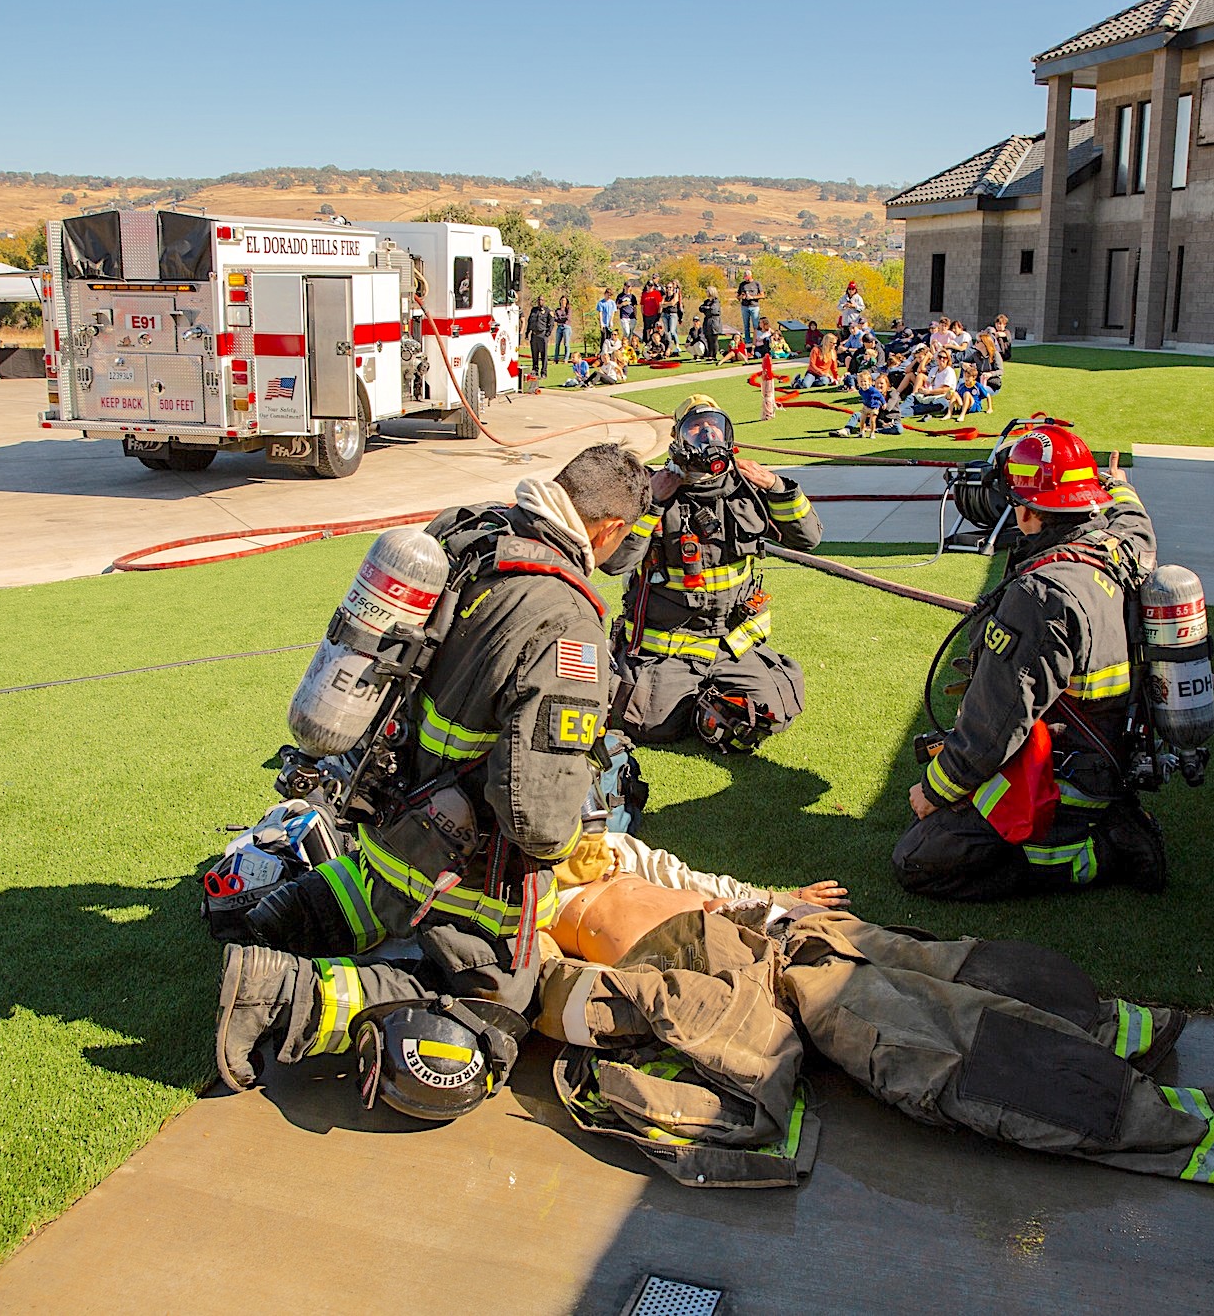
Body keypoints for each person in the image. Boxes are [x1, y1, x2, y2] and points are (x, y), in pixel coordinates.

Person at [213, 444, 653, 1098]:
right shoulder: (569, 624)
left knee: (380, 890)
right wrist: (574, 839)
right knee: (495, 1021)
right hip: (456, 872)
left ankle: (281, 916)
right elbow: (534, 821)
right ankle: (284, 996)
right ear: (610, 528)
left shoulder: (473, 531)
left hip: (385, 821)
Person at [536, 833, 1214, 1189]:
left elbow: (675, 873)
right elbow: (570, 1002)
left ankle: (1111, 1024)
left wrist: (774, 899)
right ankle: (1181, 1128)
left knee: (941, 962)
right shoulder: (515, 928)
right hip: (747, 973)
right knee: (932, 1039)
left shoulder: (577, 843)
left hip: (770, 932)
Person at [894, 424, 1168, 899]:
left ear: (1026, 512)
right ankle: (1110, 816)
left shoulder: (1041, 595)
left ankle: (1108, 847)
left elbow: (995, 724)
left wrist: (935, 791)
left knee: (918, 859)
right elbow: (1135, 520)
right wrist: (1118, 486)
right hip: (1108, 751)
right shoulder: (1120, 546)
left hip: (1071, 771)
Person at [604, 395, 823, 753]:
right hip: (667, 649)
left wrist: (776, 486)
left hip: (731, 646)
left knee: (777, 713)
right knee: (646, 724)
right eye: (696, 427)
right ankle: (695, 700)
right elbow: (615, 562)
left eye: (714, 425)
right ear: (679, 439)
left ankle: (705, 698)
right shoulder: (651, 489)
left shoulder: (747, 486)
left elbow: (809, 538)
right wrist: (655, 504)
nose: (707, 433)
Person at [525, 296, 552, 381]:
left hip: (542, 335)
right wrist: (527, 333)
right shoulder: (534, 310)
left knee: (544, 355)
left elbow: (551, 323)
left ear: (544, 301)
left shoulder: (548, 311)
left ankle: (543, 372)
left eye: (542, 300)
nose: (540, 301)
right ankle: (535, 370)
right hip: (534, 335)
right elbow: (530, 321)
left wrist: (547, 334)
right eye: (539, 300)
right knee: (534, 354)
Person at [695, 287, 723, 361]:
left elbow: (713, 310)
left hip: (714, 321)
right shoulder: (706, 301)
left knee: (714, 339)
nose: (706, 293)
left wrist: (706, 309)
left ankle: (714, 355)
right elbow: (701, 308)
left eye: (707, 292)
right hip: (707, 321)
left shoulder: (716, 301)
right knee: (708, 338)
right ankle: (709, 354)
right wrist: (706, 308)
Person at [735, 272, 763, 345]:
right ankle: (748, 341)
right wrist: (741, 297)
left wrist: (753, 297)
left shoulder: (756, 284)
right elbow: (737, 296)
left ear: (750, 276)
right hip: (744, 307)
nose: (745, 278)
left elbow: (762, 295)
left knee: (756, 325)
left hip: (754, 307)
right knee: (746, 325)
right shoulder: (742, 284)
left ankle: (757, 340)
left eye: (746, 276)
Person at [661, 279, 683, 350]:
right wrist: (668, 303)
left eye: (670, 287)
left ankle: (677, 345)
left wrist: (666, 304)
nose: (668, 289)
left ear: (673, 288)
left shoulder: (675, 294)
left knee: (672, 331)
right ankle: (669, 346)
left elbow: (673, 303)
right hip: (665, 314)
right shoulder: (664, 296)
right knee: (667, 332)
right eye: (667, 287)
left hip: (673, 314)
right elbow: (661, 305)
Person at [552, 296, 573, 363]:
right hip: (559, 327)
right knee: (557, 344)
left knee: (566, 343)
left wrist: (559, 319)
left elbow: (567, 317)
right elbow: (554, 318)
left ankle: (566, 359)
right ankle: (556, 359)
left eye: (564, 300)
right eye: (562, 300)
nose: (563, 302)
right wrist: (560, 319)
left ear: (566, 301)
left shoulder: (568, 309)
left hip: (566, 327)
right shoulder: (557, 310)